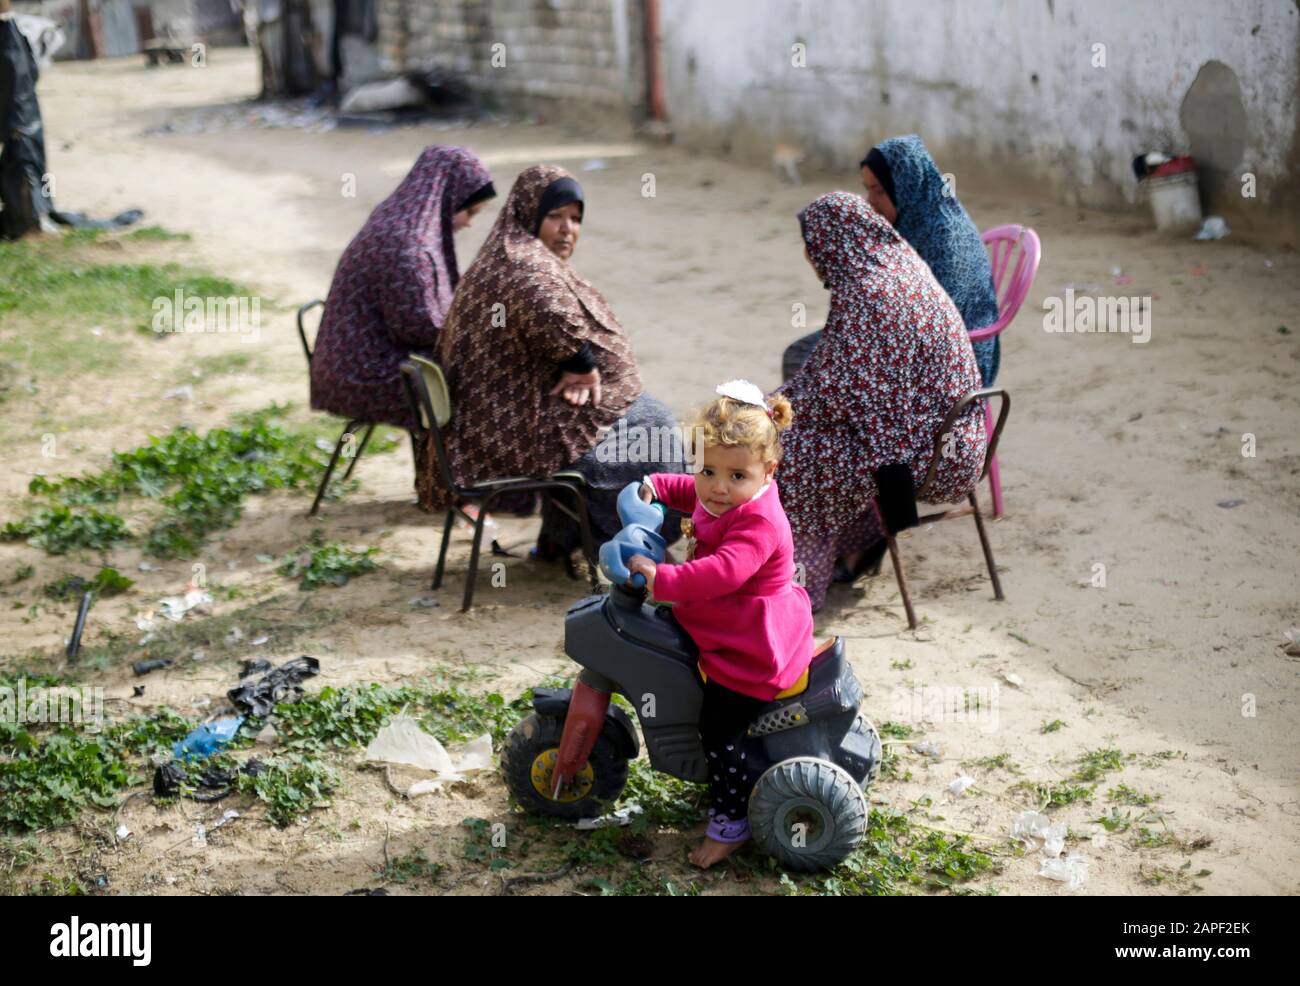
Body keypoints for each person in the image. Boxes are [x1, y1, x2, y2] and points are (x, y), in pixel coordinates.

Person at [420, 163, 684, 552]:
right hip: (505, 431)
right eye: (555, 216)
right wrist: (583, 365)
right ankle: (636, 545)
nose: (567, 229)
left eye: (576, 218)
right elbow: (547, 309)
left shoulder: (506, 251)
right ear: (529, 214)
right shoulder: (523, 262)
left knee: (639, 416)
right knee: (650, 422)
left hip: (490, 418)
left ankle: (563, 540)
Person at [628, 381, 813, 868]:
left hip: (751, 639)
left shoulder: (758, 521)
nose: (718, 486)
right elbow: (696, 495)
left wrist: (664, 578)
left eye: (735, 475)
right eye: (708, 469)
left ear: (768, 472)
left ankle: (731, 821)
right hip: (725, 617)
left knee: (720, 726)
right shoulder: (723, 495)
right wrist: (658, 487)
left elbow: (724, 571)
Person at [776, 191, 986, 612]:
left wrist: (773, 411)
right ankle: (850, 549)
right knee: (792, 426)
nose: (807, 254)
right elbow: (841, 376)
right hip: (957, 437)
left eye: (811, 242)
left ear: (833, 242)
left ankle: (795, 590)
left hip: (926, 457)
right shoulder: (898, 265)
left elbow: (849, 401)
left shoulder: (868, 295)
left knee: (787, 453)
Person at [782, 134, 1001, 387]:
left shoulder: (945, 240)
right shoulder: (913, 222)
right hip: (905, 340)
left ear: (907, 186)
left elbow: (932, 325)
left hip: (951, 363)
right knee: (804, 355)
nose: (870, 203)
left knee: (808, 362)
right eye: (868, 190)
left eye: (880, 191)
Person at [310, 145, 494, 432]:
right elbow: (416, 329)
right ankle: (464, 472)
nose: (469, 223)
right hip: (362, 373)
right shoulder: (408, 245)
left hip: (355, 359)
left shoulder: (402, 217)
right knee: (488, 370)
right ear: (447, 196)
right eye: (469, 211)